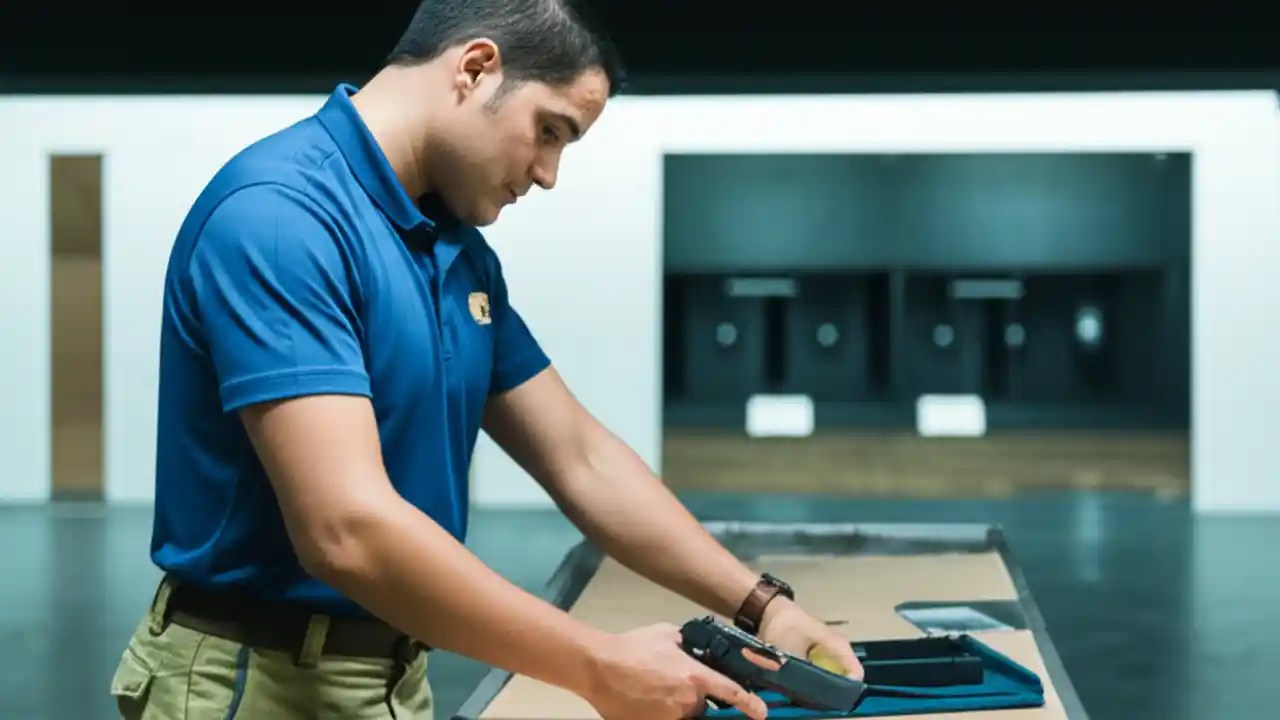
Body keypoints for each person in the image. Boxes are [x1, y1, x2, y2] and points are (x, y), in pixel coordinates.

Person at [109, 1, 863, 718]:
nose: (548, 173)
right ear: (474, 68)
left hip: (391, 672)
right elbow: (347, 529)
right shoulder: (280, 218)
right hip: (254, 681)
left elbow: (578, 455)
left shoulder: (454, 252)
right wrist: (598, 664)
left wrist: (766, 608)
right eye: (550, 131)